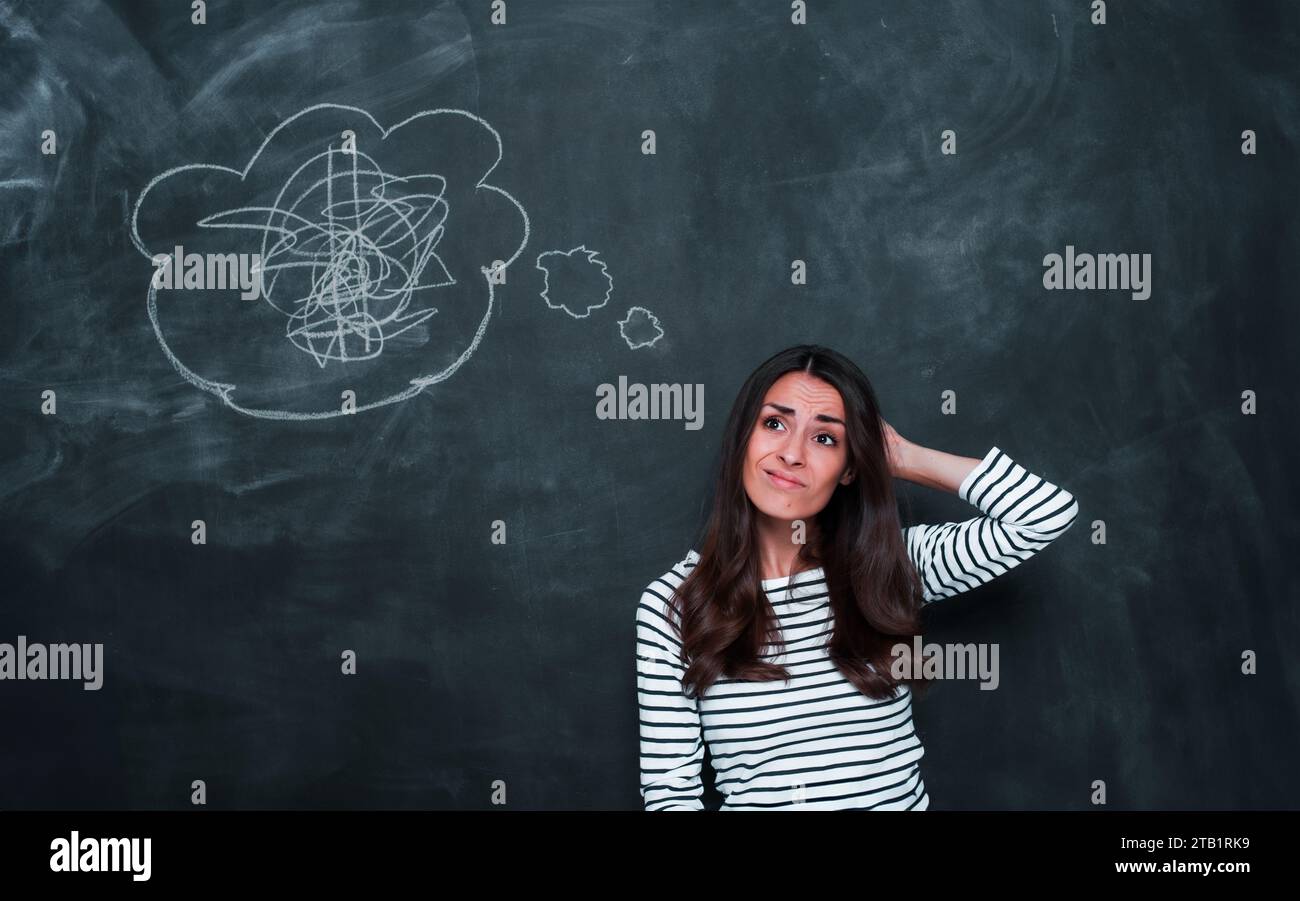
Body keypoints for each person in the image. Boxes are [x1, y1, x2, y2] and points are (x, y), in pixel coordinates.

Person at [635, 345, 1078, 810]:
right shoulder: (676, 604)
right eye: (774, 423)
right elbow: (671, 795)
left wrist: (902, 457)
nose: (791, 454)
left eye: (825, 438)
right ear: (742, 437)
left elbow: (1044, 515)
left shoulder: (892, 565)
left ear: (850, 468)